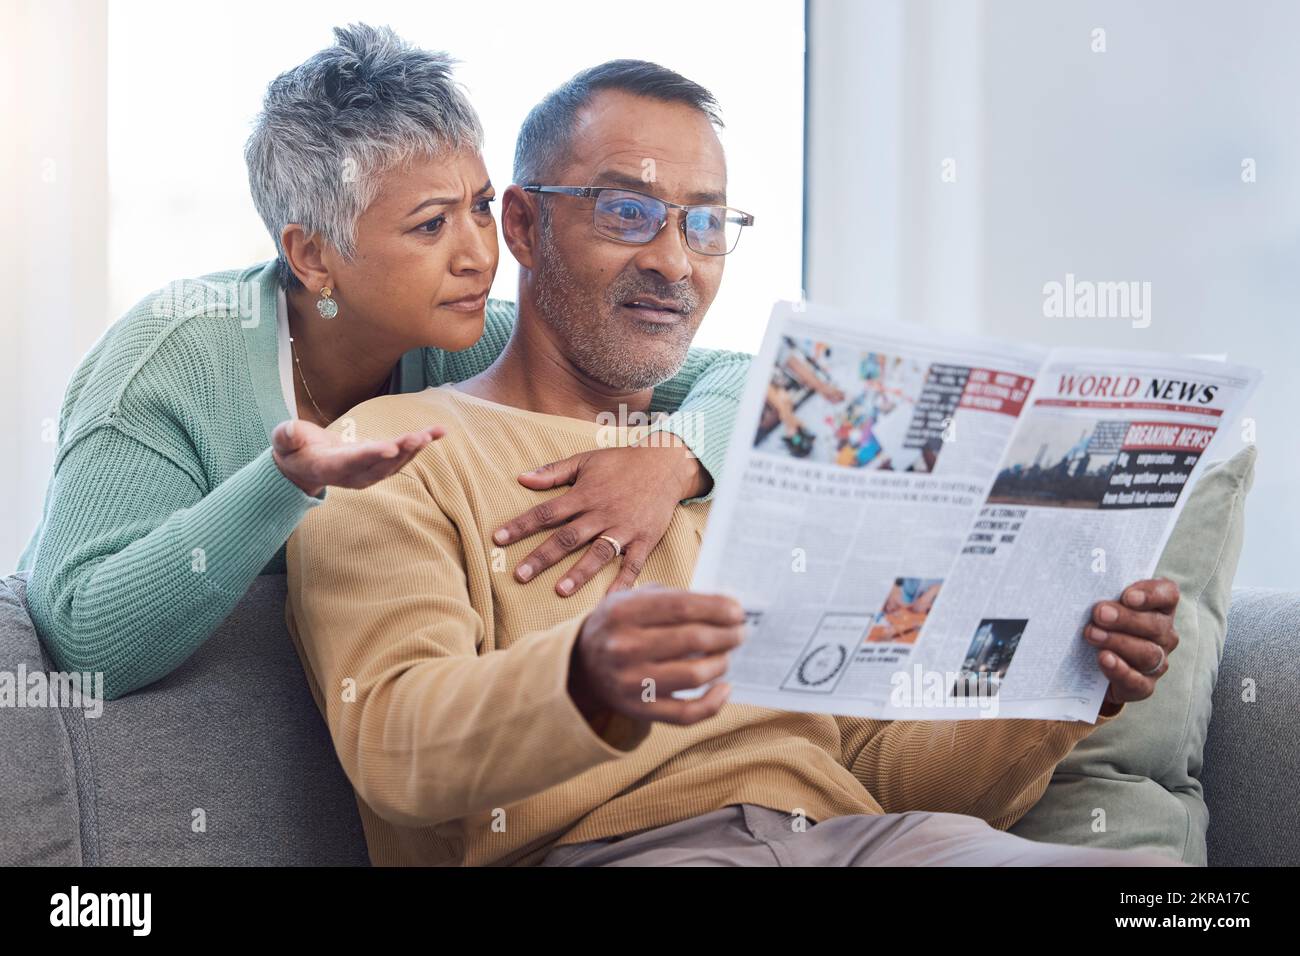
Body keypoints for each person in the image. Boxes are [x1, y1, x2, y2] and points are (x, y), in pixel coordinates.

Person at [285, 59, 1182, 867]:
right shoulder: (388, 453)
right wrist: (584, 677)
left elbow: (880, 773)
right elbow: (396, 750)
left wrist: (1066, 683)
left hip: (860, 841)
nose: (674, 260)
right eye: (627, 210)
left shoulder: (741, 457)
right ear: (523, 224)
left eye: (706, 223)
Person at [17, 25, 748, 700]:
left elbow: (747, 376)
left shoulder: (473, 337)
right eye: (431, 224)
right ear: (312, 255)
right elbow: (81, 640)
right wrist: (284, 484)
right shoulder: (173, 357)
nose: (480, 255)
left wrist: (675, 455)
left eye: (483, 208)